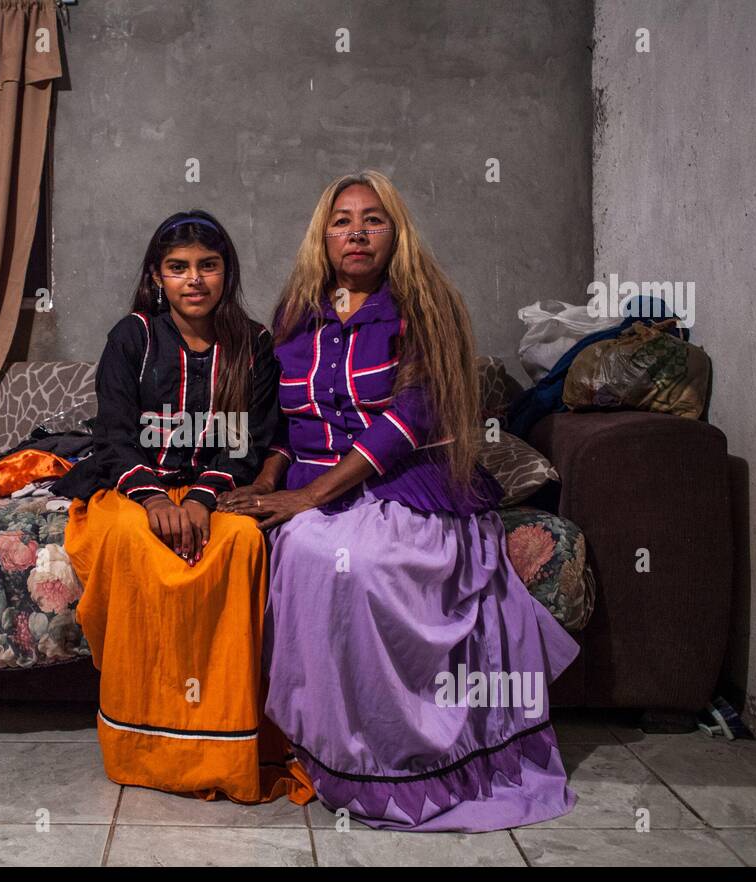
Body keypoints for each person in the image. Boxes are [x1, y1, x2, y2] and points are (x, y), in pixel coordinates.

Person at [221, 172, 580, 830]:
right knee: (300, 548)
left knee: (361, 565)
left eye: (374, 219)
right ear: (322, 237)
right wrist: (270, 484)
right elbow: (282, 421)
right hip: (320, 482)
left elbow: (406, 423)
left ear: (396, 233)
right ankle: (329, 751)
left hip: (414, 488)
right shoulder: (296, 313)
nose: (356, 231)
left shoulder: (428, 305)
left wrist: (309, 495)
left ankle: (403, 755)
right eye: (341, 221)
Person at [53, 210, 313, 805]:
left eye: (207, 266)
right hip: (131, 486)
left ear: (227, 273)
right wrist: (150, 498)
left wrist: (200, 499)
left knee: (243, 542)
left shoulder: (253, 344)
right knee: (128, 543)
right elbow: (114, 432)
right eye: (178, 268)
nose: (194, 280)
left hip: (215, 489)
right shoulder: (133, 336)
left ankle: (221, 742)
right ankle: (145, 743)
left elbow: (248, 438)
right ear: (157, 277)